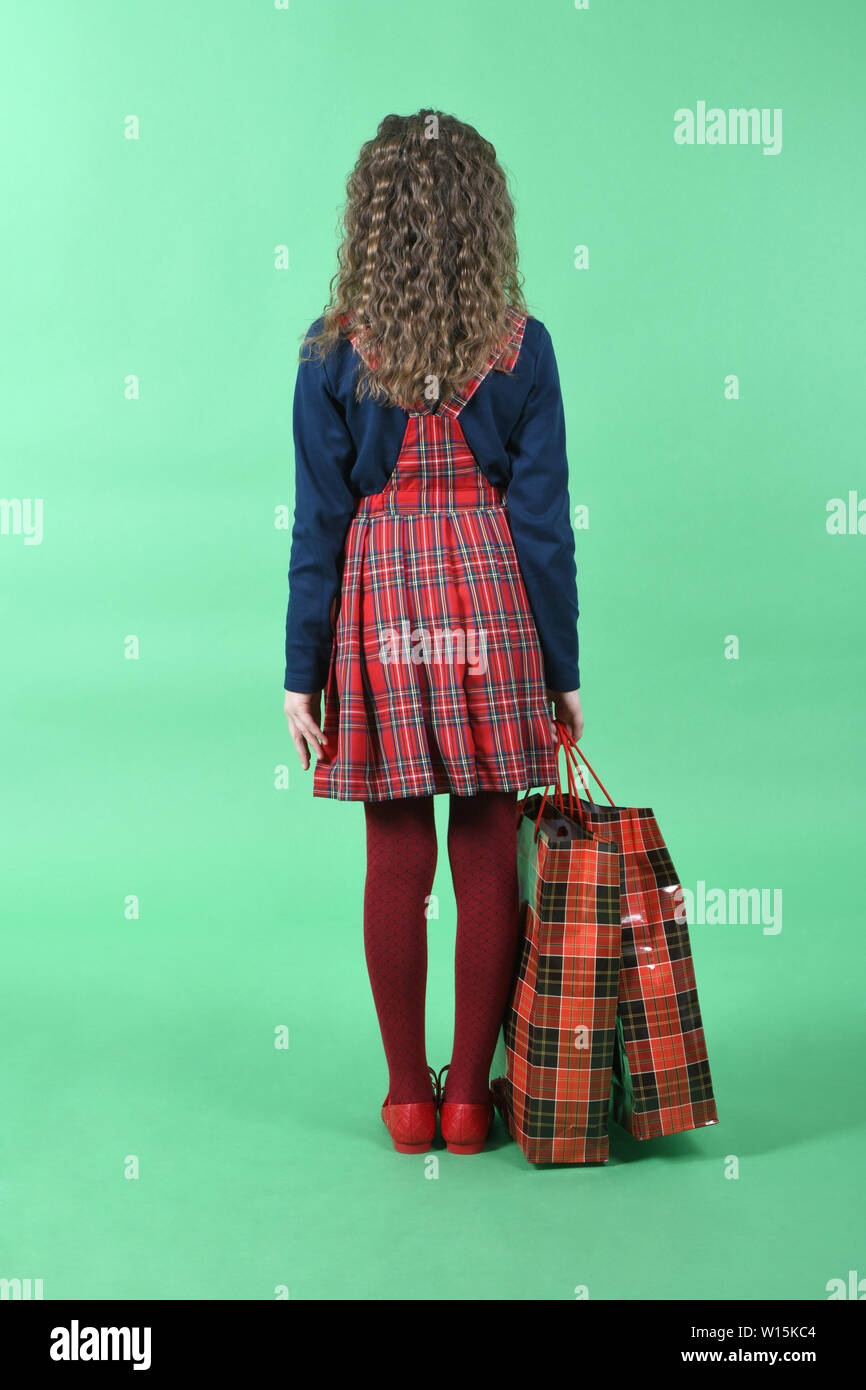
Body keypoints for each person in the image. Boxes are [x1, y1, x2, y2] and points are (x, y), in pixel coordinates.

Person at [282, 110, 582, 1156]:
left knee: (394, 852)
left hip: (377, 611)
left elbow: (319, 522)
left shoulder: (332, 351)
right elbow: (539, 522)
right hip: (492, 609)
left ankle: (408, 1099)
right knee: (488, 847)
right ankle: (470, 1107)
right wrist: (561, 669)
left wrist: (297, 676)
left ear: (370, 223)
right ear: (480, 219)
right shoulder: (521, 347)